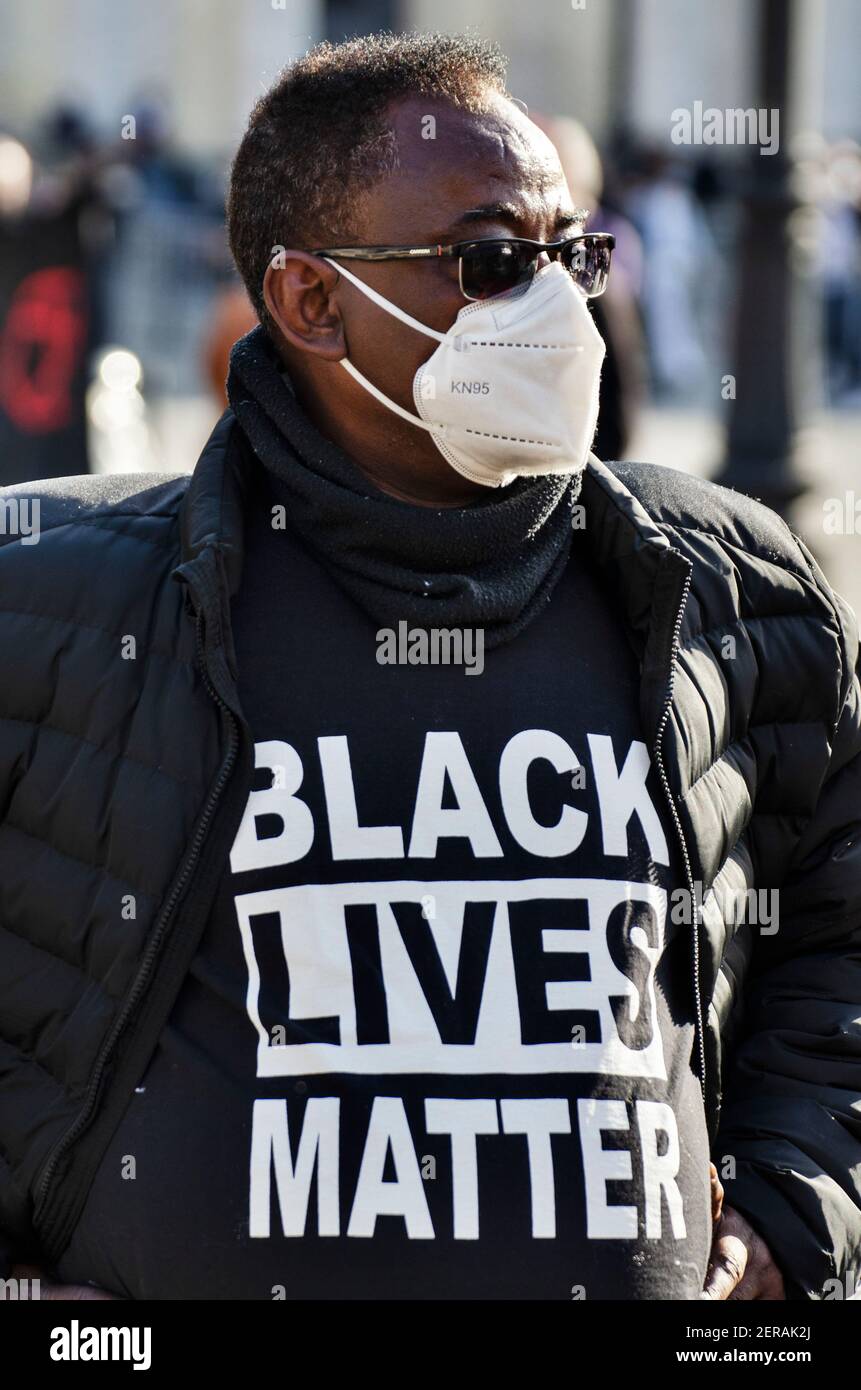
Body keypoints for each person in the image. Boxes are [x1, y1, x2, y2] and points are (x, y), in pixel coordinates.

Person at [1, 31, 860, 1303]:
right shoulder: (59, 606)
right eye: (493, 261)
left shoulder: (737, 594)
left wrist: (791, 1210)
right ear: (309, 300)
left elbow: (834, 941)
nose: (559, 305)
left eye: (572, 253)